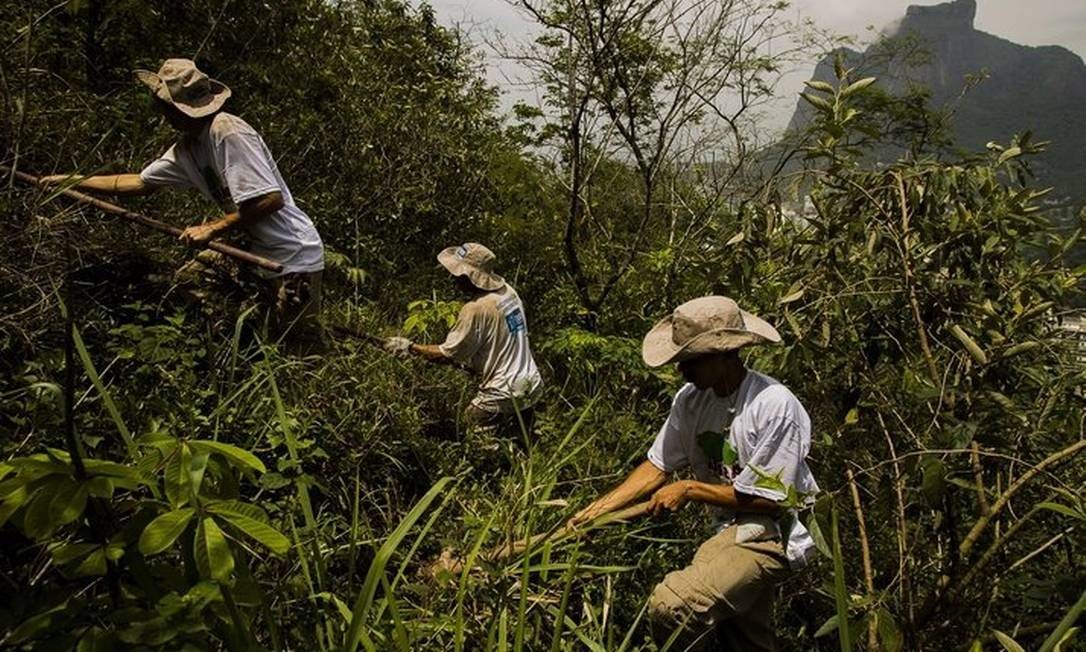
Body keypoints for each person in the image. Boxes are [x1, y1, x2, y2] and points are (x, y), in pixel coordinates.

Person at [568, 296, 819, 651]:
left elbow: (769, 497)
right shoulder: (690, 399)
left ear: (724, 354)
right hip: (726, 530)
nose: (681, 370)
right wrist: (596, 512)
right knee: (746, 641)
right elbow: (657, 466)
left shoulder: (774, 406)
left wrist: (689, 489)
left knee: (674, 606)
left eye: (691, 361)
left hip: (770, 534)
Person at [41, 58, 326, 352]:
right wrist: (71, 180)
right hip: (251, 249)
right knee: (190, 283)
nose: (162, 112)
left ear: (177, 108)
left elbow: (270, 199)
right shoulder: (188, 148)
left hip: (292, 256)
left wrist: (212, 229)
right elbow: (139, 183)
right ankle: (228, 345)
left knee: (297, 347)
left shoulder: (226, 131)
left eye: (164, 105)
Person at [384, 243, 542, 444]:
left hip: (503, 390)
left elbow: (447, 353)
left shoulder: (475, 309)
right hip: (531, 383)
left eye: (458, 274)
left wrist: (408, 347)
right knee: (522, 442)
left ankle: (490, 468)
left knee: (469, 433)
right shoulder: (508, 292)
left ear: (469, 276)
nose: (454, 278)